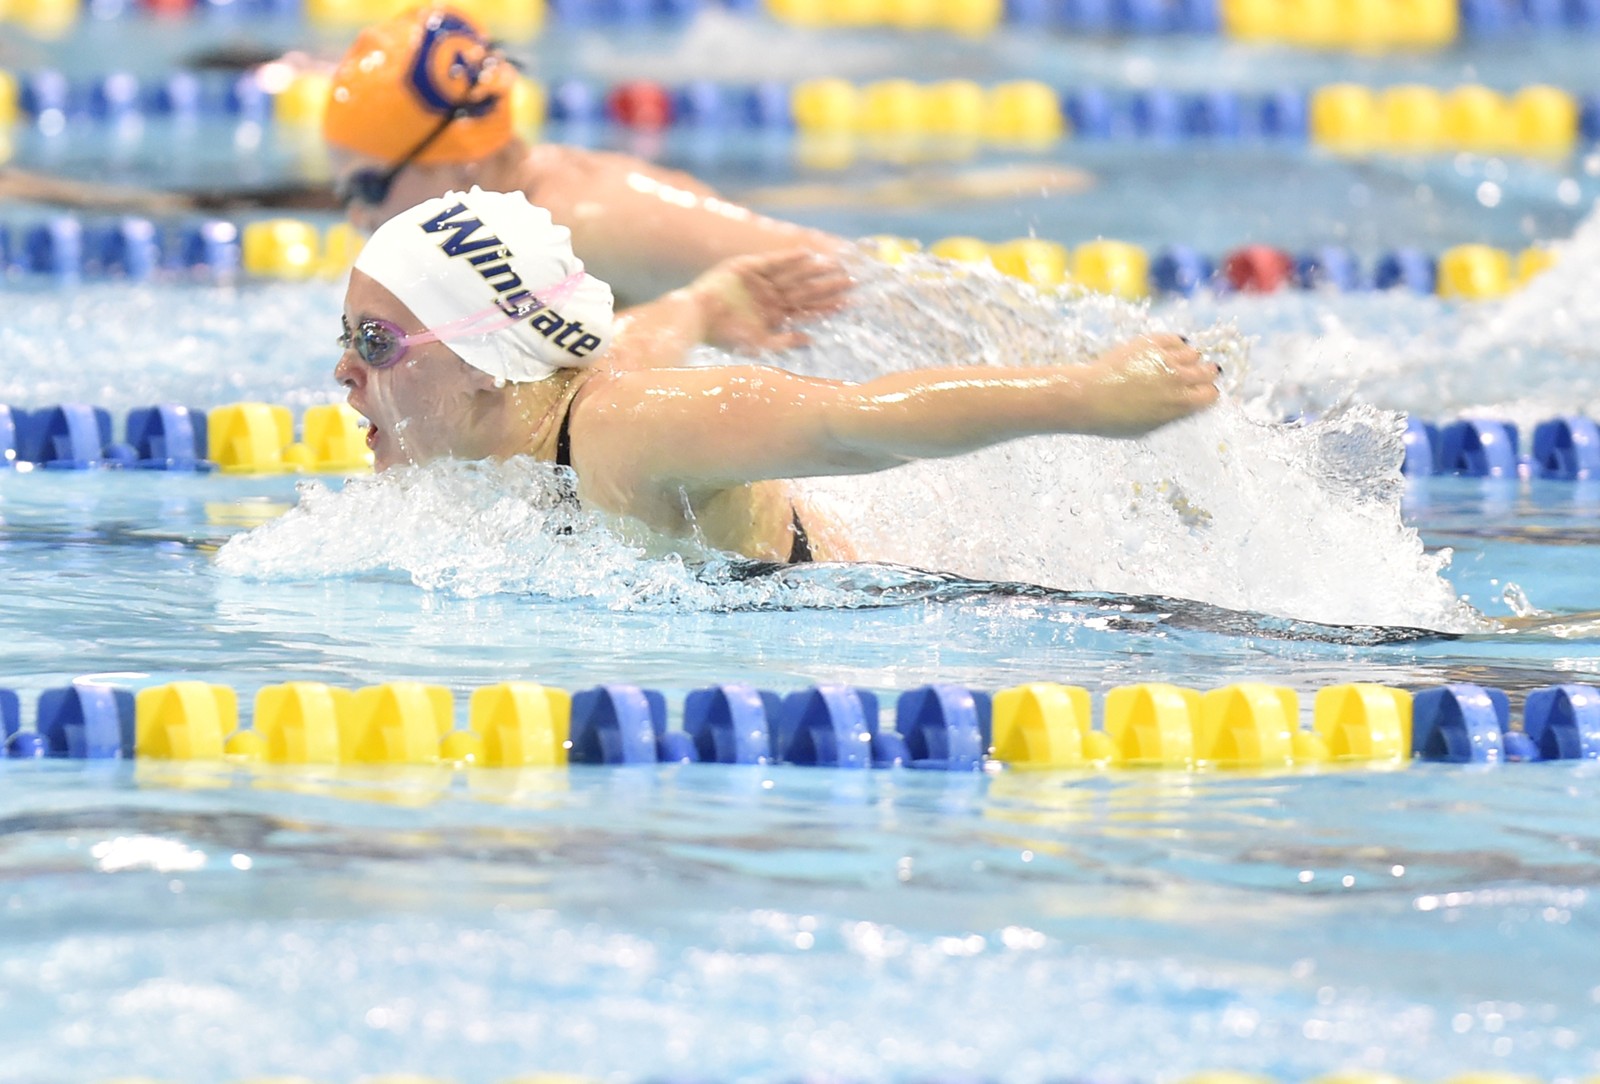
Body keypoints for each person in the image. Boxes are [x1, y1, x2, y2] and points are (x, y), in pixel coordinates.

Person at [334, 187, 1221, 564]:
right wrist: (703, 303)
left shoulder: (627, 430)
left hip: (916, 574)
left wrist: (1091, 395)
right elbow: (631, 342)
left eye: (376, 342)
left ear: (487, 366)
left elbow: (856, 423)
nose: (343, 372)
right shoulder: (533, 406)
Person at [322, 4, 845, 304]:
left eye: (368, 187)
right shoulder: (508, 218)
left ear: (461, 158)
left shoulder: (589, 218)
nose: (357, 215)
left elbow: (841, 272)